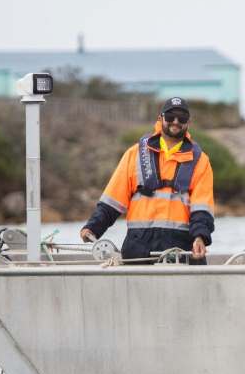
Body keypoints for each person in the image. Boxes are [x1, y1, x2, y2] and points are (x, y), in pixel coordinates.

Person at [80, 97, 215, 264]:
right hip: (138, 247)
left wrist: (200, 237)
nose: (175, 121)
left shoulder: (201, 161)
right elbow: (113, 199)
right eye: (170, 116)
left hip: (181, 250)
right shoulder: (134, 154)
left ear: (188, 123)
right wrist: (93, 227)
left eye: (181, 118)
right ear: (160, 119)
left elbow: (202, 208)